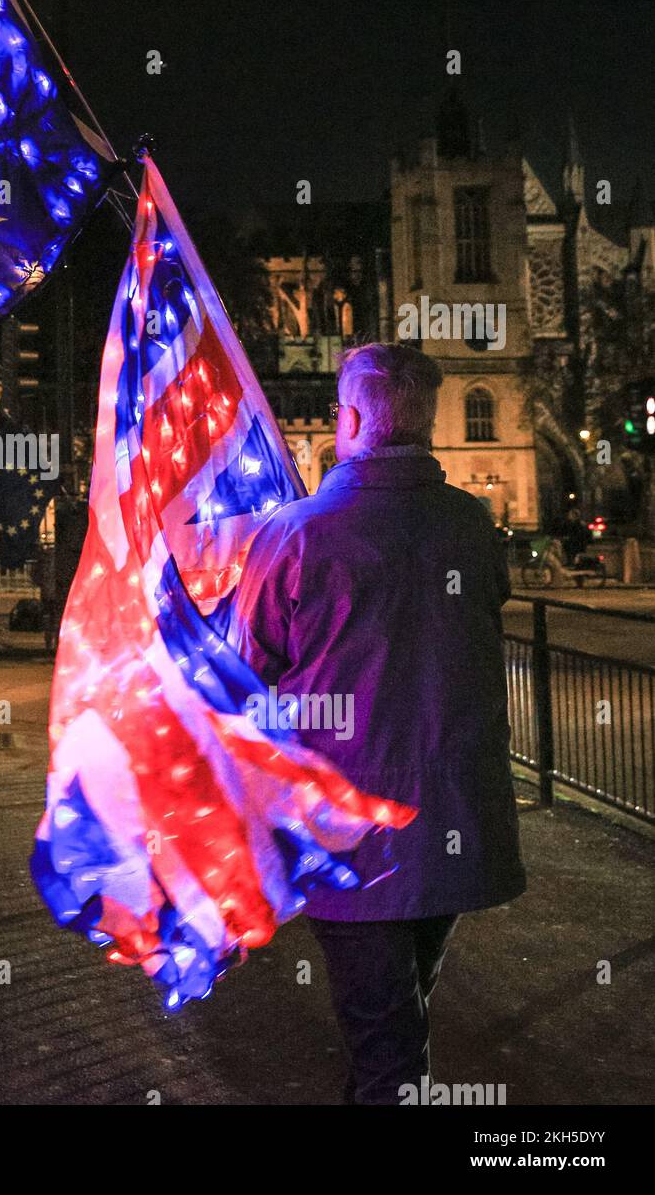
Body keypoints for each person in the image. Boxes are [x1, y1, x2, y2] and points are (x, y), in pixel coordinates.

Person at [232, 343, 525, 1105]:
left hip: (350, 833)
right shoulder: (472, 527)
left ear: (352, 418)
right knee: (399, 1015)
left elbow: (245, 672)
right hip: (455, 820)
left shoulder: (296, 535)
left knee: (387, 1040)